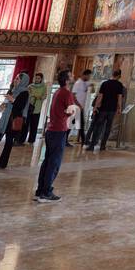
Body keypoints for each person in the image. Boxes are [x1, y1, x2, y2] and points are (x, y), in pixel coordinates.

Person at [35, 70, 78, 203]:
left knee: (47, 161)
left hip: (51, 129)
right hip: (59, 129)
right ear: (66, 80)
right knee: (54, 163)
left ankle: (40, 190)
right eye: (71, 75)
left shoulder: (58, 92)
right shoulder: (66, 93)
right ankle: (46, 192)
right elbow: (71, 111)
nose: (73, 76)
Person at [86, 68, 126, 152]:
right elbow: (119, 98)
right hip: (112, 109)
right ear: (119, 76)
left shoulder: (105, 83)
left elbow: (100, 96)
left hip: (103, 109)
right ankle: (103, 146)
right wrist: (119, 108)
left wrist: (95, 107)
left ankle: (92, 145)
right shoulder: (119, 85)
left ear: (112, 74)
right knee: (108, 128)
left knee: (98, 127)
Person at [23, 72, 47, 144]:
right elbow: (27, 94)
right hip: (29, 107)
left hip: (37, 108)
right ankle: (22, 139)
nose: (37, 79)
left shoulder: (44, 87)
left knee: (34, 125)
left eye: (38, 78)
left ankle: (31, 140)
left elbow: (44, 96)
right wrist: (36, 95)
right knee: (25, 124)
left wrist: (34, 95)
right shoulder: (30, 86)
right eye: (36, 78)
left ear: (41, 79)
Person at [71, 69, 93, 145]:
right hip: (76, 107)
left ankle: (84, 141)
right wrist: (79, 105)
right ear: (85, 75)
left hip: (81, 107)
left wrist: (91, 86)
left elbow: (92, 90)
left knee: (79, 124)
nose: (89, 78)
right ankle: (84, 141)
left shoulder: (85, 83)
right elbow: (73, 95)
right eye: (89, 76)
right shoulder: (78, 83)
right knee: (76, 124)